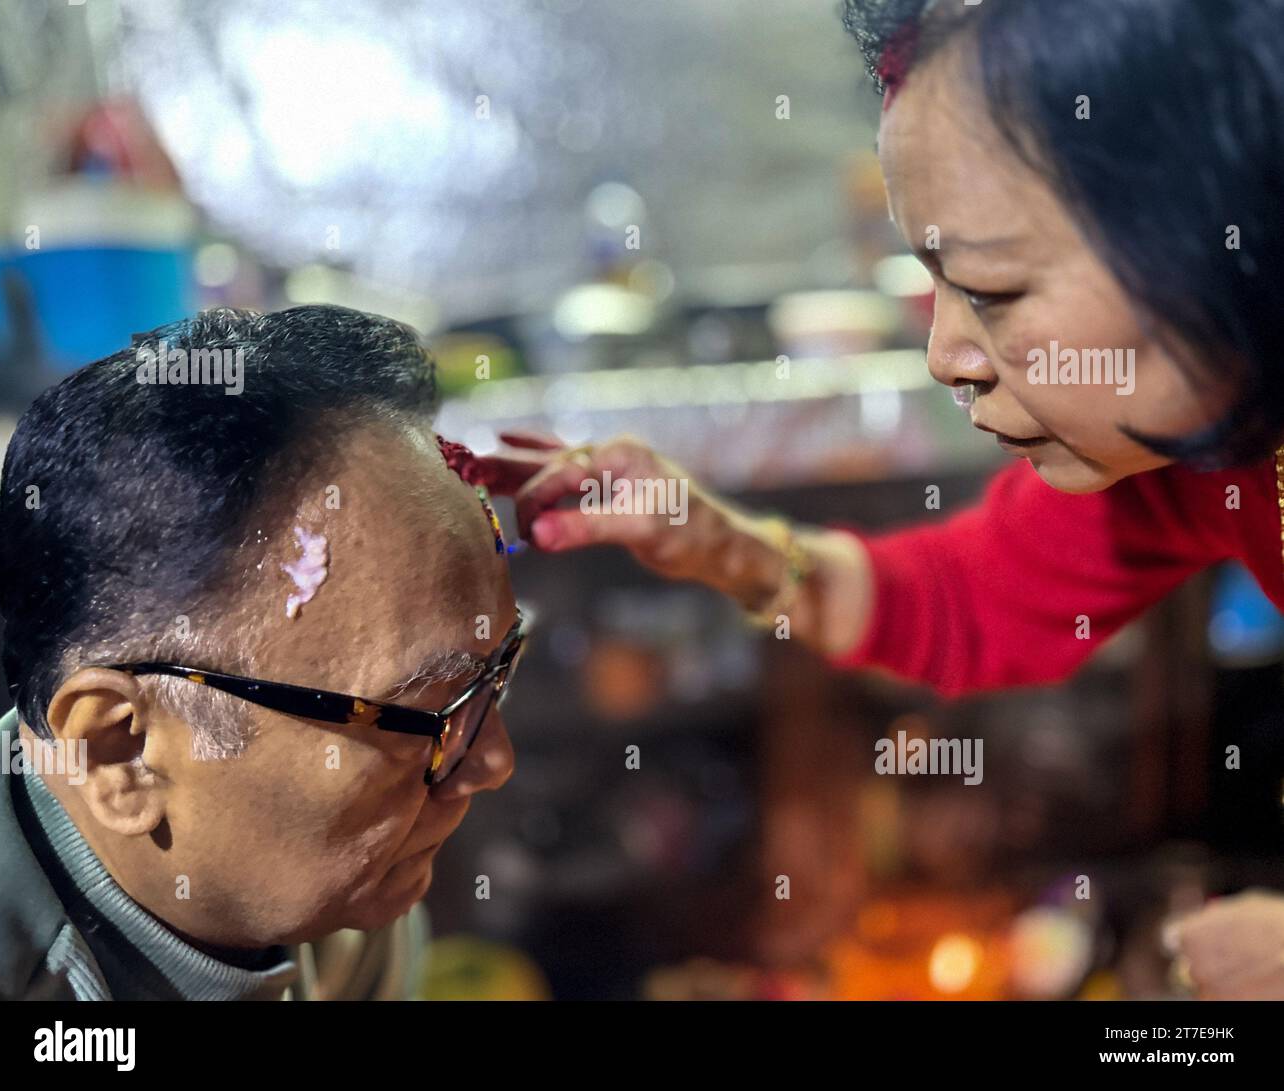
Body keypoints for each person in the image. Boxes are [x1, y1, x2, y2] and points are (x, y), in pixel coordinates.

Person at [484, 0, 1284, 1000]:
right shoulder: (1202, 459)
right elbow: (960, 599)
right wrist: (711, 540)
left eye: (989, 287)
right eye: (931, 283)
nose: (945, 355)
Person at [0, 304, 521, 1000]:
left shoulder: (335, 903)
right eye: (429, 709)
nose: (494, 761)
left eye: (498, 668)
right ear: (120, 749)